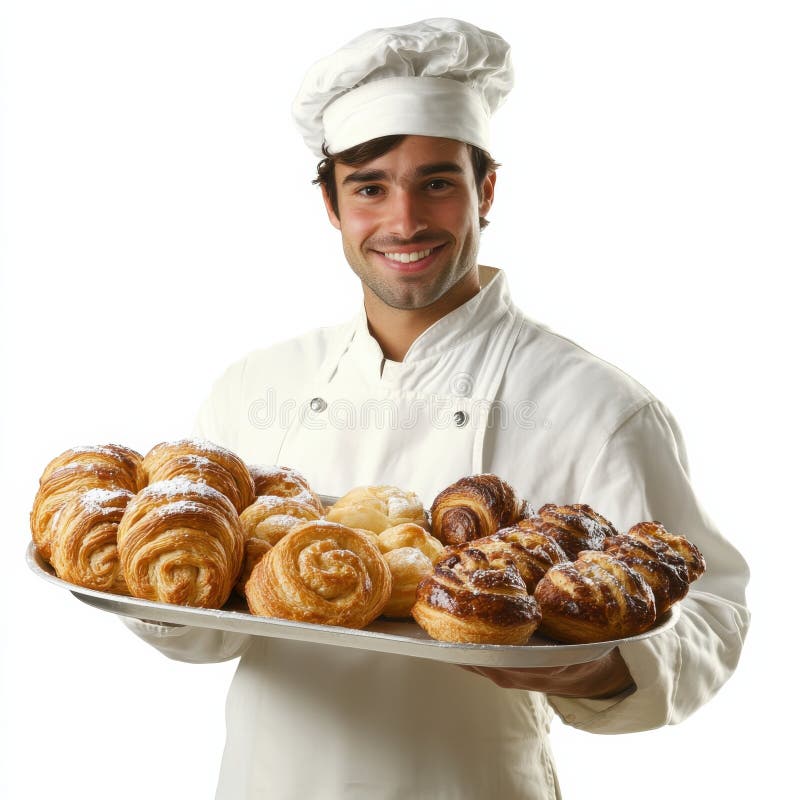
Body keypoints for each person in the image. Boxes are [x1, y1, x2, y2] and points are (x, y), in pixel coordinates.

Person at [124, 18, 750, 799]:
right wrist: (156, 591)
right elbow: (207, 626)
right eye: (369, 186)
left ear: (487, 188)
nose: (404, 221)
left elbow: (714, 613)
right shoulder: (256, 386)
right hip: (270, 779)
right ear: (331, 204)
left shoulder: (594, 403)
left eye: (437, 182)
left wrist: (599, 664)